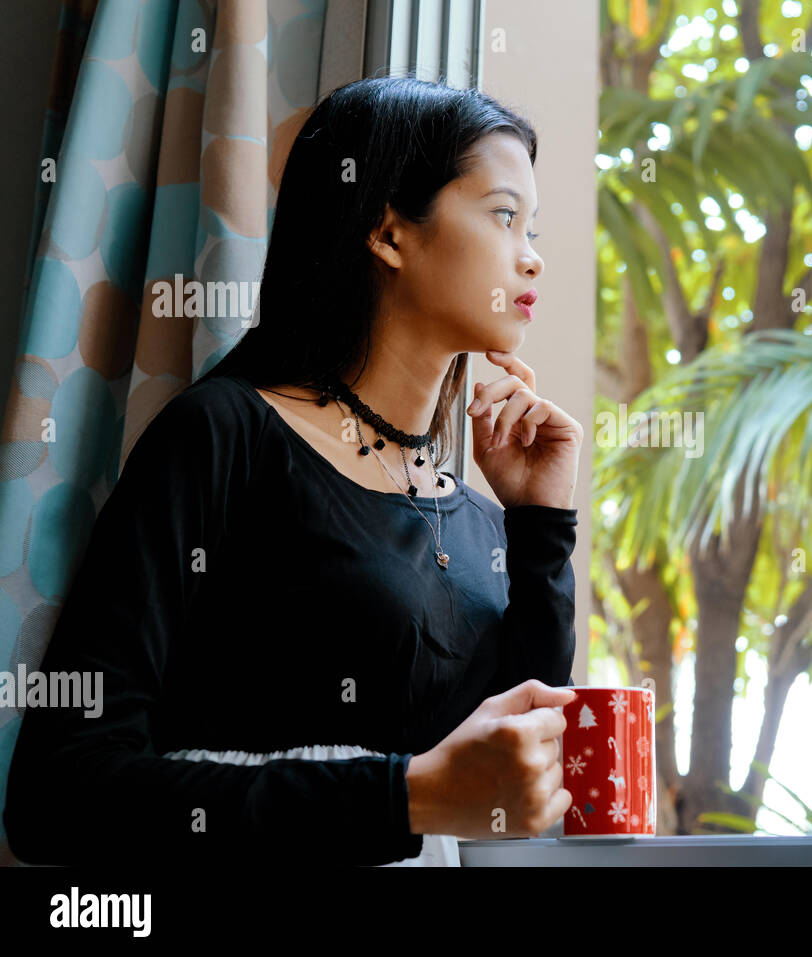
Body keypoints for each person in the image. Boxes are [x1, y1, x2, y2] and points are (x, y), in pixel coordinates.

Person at [2, 76, 584, 864]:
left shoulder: (481, 520)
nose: (534, 259)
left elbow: (519, 778)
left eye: (535, 230)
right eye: (505, 216)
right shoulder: (224, 437)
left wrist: (541, 523)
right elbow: (57, 793)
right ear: (389, 233)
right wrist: (401, 796)